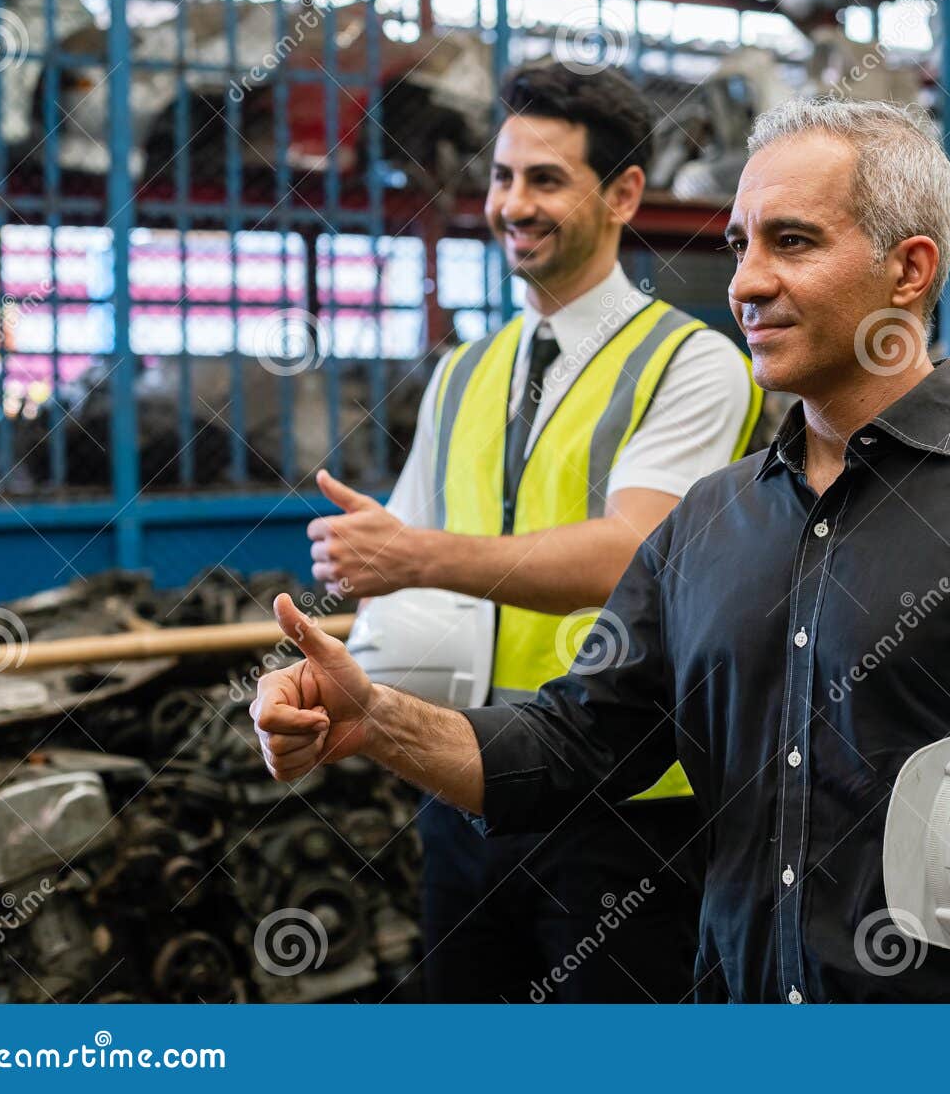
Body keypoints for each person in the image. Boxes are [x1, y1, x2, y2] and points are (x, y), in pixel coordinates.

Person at [254, 97, 950, 1003]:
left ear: (909, 268)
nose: (745, 281)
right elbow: (573, 747)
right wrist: (378, 717)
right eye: (741, 242)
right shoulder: (709, 521)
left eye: (791, 242)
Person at [304, 62, 761, 1002]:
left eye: (546, 178)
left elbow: (634, 549)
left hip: (620, 805)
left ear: (624, 193)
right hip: (466, 783)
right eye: (505, 176)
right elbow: (404, 569)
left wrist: (410, 555)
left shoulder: (695, 364)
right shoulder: (464, 371)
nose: (514, 202)